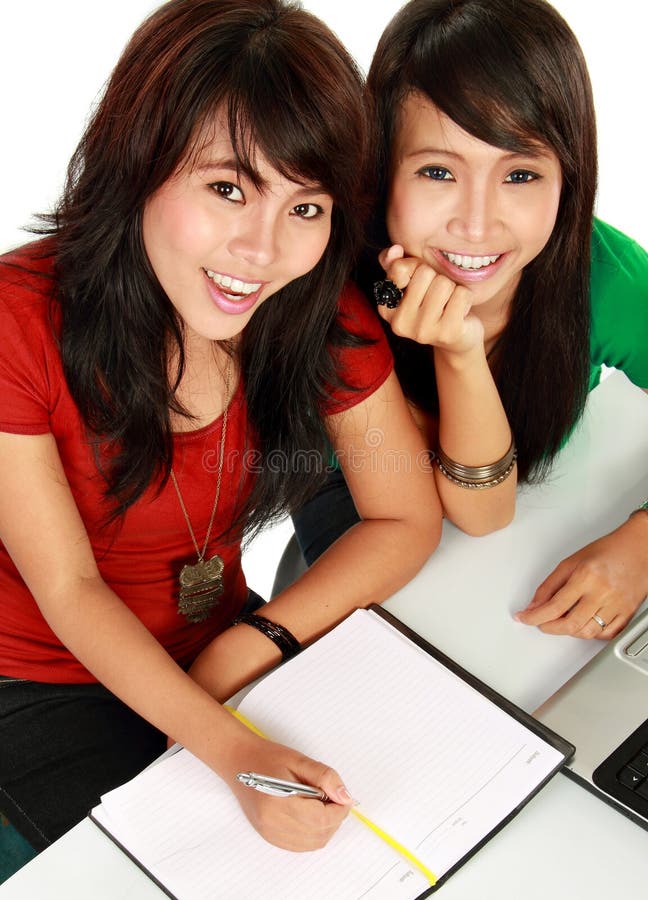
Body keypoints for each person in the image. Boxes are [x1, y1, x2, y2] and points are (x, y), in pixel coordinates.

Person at [0, 0, 442, 856]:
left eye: (305, 208)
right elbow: (70, 592)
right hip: (41, 672)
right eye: (228, 189)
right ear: (140, 160)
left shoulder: (313, 311)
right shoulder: (17, 321)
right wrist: (236, 754)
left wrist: (256, 637)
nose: (261, 250)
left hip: (218, 634)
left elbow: (403, 515)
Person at [292, 0, 648, 637]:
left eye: (520, 173)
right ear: (379, 173)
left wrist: (640, 548)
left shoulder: (598, 271)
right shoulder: (323, 293)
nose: (478, 223)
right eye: (437, 170)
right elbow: (476, 514)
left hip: (528, 558)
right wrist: (459, 350)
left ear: (569, 177)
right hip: (364, 555)